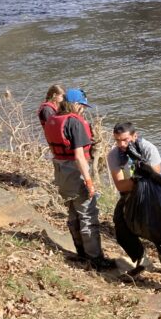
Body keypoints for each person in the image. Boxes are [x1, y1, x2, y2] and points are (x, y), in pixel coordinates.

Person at [43, 88, 112, 269]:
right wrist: (89, 181)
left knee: (73, 212)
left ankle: (81, 253)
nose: (83, 109)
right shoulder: (74, 123)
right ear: (75, 104)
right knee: (88, 214)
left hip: (60, 172)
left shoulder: (52, 119)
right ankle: (95, 259)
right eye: (82, 105)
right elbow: (80, 157)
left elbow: (53, 150)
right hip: (76, 173)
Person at [108, 122, 161, 277]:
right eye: (117, 140)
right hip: (128, 194)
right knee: (120, 225)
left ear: (135, 136)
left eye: (125, 140)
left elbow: (155, 175)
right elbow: (120, 186)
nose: (121, 144)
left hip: (152, 194)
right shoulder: (114, 155)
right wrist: (138, 181)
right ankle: (141, 259)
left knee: (157, 228)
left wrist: (140, 175)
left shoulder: (148, 148)